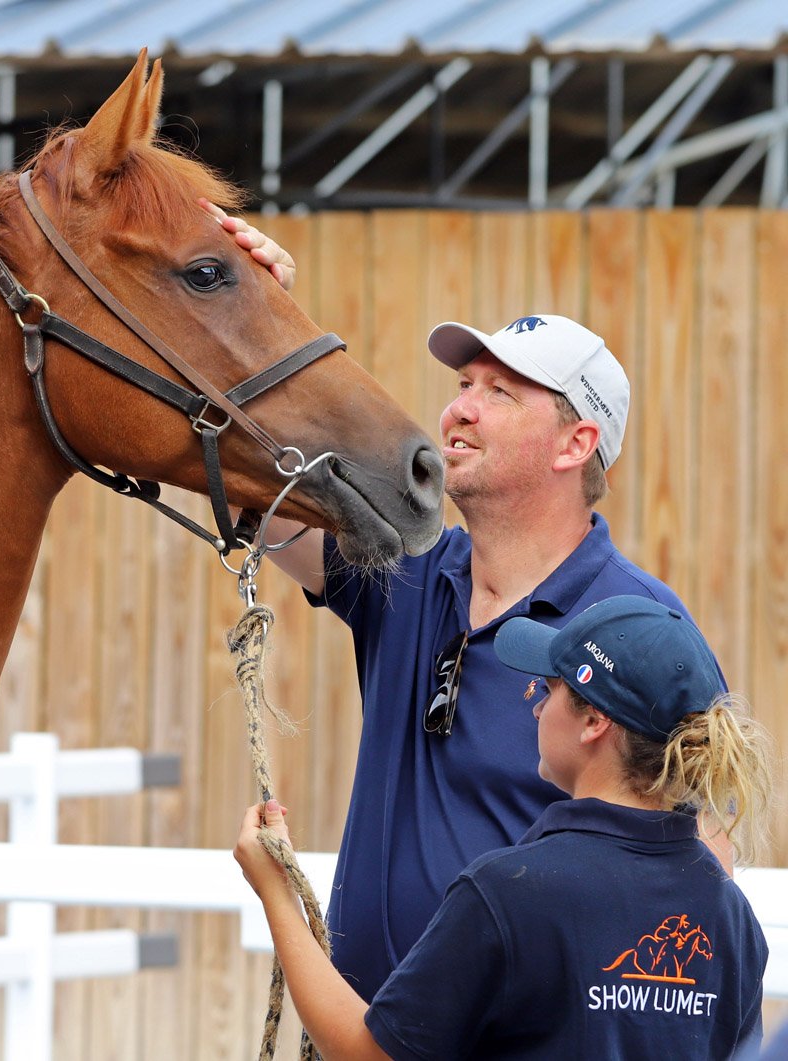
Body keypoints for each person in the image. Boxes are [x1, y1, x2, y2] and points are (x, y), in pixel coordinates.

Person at [207, 203, 731, 1000]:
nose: (458, 408)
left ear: (575, 443)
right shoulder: (408, 571)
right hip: (369, 1037)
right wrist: (248, 308)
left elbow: (704, 869)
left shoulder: (640, 628)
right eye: (462, 384)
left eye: (501, 392)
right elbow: (253, 488)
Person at [235, 594, 773, 1060]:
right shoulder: (732, 918)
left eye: (548, 687)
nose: (535, 706)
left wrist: (279, 896)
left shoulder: (511, 893)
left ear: (593, 721)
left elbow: (368, 1054)